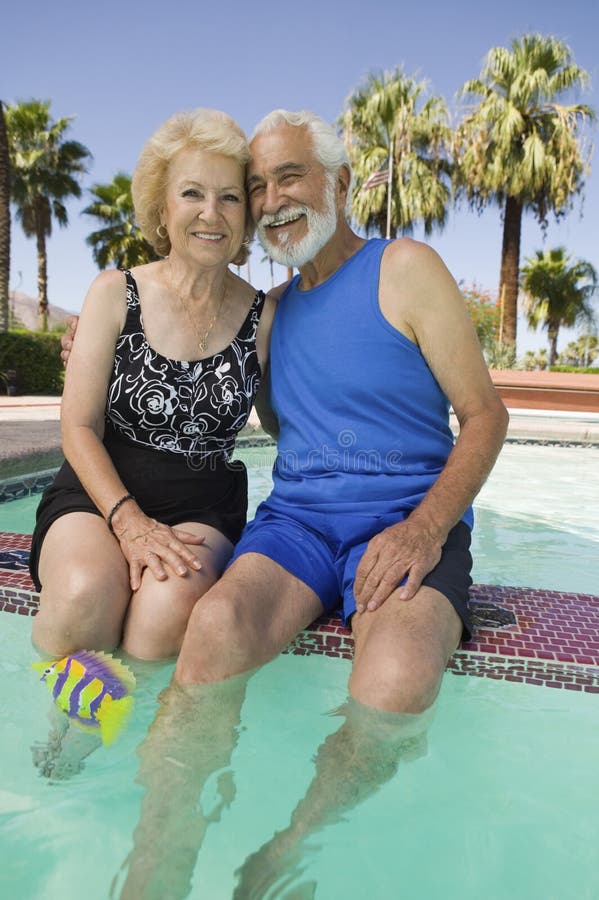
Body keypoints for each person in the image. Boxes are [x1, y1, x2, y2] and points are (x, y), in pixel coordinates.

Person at [62, 109, 509, 897]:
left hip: (407, 526)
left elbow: (485, 415)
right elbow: (246, 397)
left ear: (338, 181)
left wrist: (423, 529)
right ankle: (157, 860)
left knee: (396, 685)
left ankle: (283, 856)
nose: (270, 201)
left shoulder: (401, 266)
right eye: (257, 186)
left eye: (288, 177)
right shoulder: (270, 310)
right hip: (297, 526)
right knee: (214, 625)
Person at [31, 108, 275, 662]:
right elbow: (78, 426)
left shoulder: (265, 318)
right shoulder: (115, 292)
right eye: (192, 193)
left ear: (246, 215)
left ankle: (135, 740)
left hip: (202, 505)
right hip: (99, 494)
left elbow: (293, 419)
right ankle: (68, 743)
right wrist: (129, 521)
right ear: (163, 209)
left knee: (163, 615)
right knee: (81, 594)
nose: (211, 213)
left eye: (230, 197)